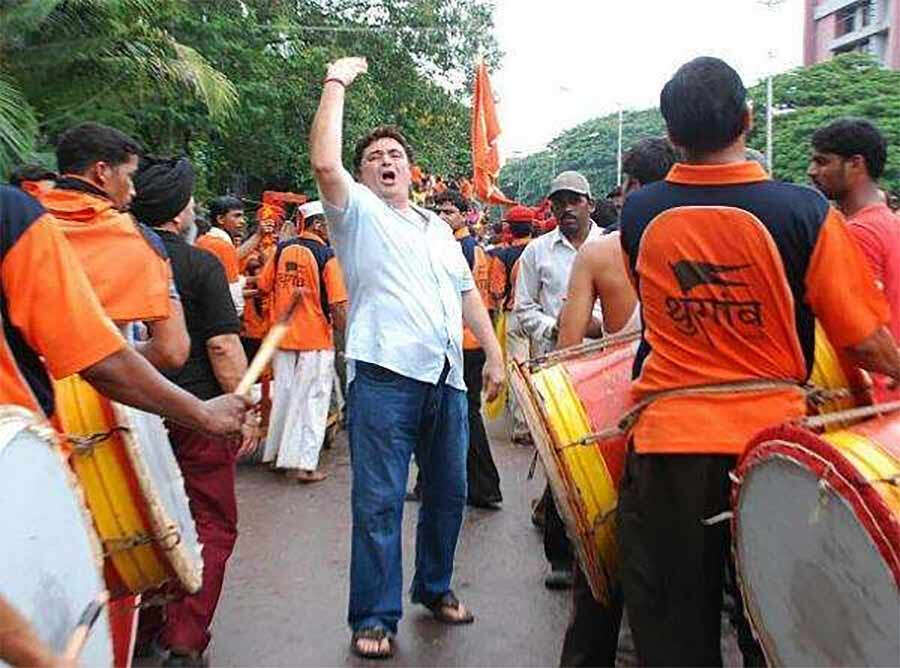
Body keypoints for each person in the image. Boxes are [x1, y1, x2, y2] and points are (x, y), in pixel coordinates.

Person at [617, 56, 900, 666]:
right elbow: (862, 341)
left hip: (669, 449)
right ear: (747, 119)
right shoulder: (804, 211)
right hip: (773, 454)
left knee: (672, 631)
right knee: (777, 626)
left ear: (672, 137)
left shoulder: (639, 215)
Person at [310, 56, 503, 659]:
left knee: (448, 492)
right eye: (375, 158)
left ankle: (435, 586)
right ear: (363, 177)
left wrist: (494, 355)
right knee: (379, 501)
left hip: (447, 380)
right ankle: (374, 616)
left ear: (411, 170)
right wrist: (335, 81)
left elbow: (467, 294)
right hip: (384, 378)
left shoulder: (439, 230)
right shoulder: (357, 216)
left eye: (395, 155)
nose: (387, 162)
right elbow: (323, 161)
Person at [553, 136, 676, 668]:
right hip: (708, 436)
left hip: (618, 426)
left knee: (602, 577)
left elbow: (567, 351)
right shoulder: (720, 239)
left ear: (627, 190)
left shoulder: (601, 253)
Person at [130, 156, 250, 667]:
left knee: (140, 521)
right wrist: (244, 407)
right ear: (181, 213)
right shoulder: (200, 263)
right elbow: (223, 347)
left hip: (131, 414)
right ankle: (183, 636)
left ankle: (140, 630)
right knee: (210, 524)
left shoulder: (112, 257)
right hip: (198, 413)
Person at [35, 121, 189, 372]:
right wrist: (119, 351)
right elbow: (171, 350)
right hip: (107, 393)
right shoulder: (135, 237)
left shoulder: (21, 223)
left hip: (23, 393)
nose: (134, 190)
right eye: (129, 175)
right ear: (102, 172)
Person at [515, 170, 605, 590]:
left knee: (602, 462)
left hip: (605, 366)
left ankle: (604, 549)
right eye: (558, 203)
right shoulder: (537, 253)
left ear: (590, 203)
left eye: (574, 201)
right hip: (556, 367)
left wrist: (598, 328)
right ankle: (561, 558)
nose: (566, 209)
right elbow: (523, 309)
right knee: (559, 460)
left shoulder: (612, 246)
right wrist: (560, 328)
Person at [257, 199, 348, 483]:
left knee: (283, 396)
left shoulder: (282, 249)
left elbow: (262, 285)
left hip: (283, 337)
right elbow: (337, 304)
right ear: (318, 224)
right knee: (313, 401)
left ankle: (276, 457)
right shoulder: (326, 255)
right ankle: (306, 466)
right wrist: (346, 336)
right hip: (315, 339)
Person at [809, 117, 900, 401]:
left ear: (855, 164)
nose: (812, 171)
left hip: (875, 394)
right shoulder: (890, 221)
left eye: (823, 162)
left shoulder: (857, 233)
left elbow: (860, 334)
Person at [558, 137, 677, 350]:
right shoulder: (709, 244)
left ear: (632, 185)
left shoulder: (597, 254)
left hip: (623, 381)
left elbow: (566, 351)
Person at [435, 189, 503, 509]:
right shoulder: (472, 246)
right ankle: (447, 483)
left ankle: (485, 487)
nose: (442, 216)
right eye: (439, 211)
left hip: (462, 343)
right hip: (470, 341)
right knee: (453, 413)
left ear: (464, 215)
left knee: (462, 414)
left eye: (449, 212)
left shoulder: (458, 248)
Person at [488, 205, 534, 444]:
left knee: (518, 370)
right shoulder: (541, 250)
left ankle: (523, 426)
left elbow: (496, 290)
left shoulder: (503, 256)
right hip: (543, 317)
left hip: (515, 316)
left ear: (509, 228)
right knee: (541, 371)